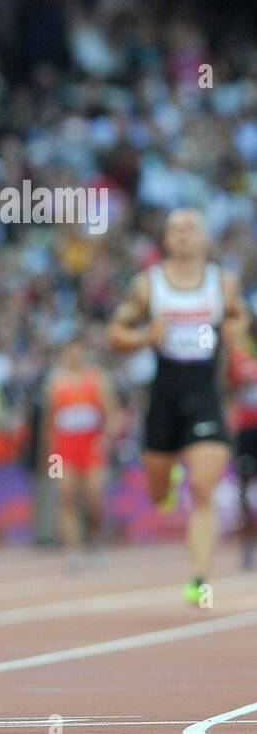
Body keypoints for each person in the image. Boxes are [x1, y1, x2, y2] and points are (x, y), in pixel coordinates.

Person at [108, 208, 246, 605]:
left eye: (191, 228)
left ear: (204, 238)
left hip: (205, 392)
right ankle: (162, 486)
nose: (183, 234)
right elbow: (116, 332)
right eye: (175, 229)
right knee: (156, 488)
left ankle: (199, 580)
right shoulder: (148, 285)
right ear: (166, 239)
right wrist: (143, 337)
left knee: (203, 488)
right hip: (164, 394)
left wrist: (236, 328)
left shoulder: (223, 282)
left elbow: (239, 317)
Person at [41, 333, 119, 572]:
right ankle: (73, 551)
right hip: (64, 449)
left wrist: (105, 439)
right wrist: (51, 457)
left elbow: (113, 415)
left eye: (77, 351)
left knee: (95, 500)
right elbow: (49, 422)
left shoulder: (97, 379)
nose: (73, 356)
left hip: (91, 447)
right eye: (69, 352)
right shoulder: (54, 382)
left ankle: (95, 541)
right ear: (63, 354)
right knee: (67, 498)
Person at [223, 313, 257, 570]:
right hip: (246, 429)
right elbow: (228, 386)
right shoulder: (239, 355)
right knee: (244, 487)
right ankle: (247, 544)